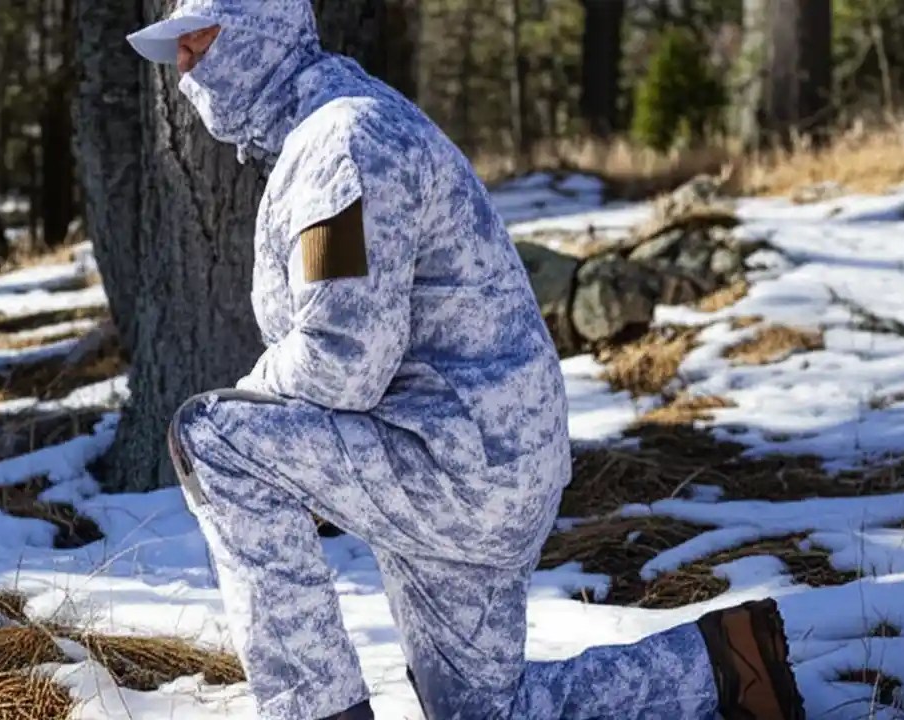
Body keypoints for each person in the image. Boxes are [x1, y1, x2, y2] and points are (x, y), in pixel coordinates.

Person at [128, 2, 806, 718]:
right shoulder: (327, 134)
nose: (183, 68)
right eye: (175, 49)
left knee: (216, 437)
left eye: (199, 41)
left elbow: (343, 356)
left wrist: (257, 404)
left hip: (459, 464)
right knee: (482, 712)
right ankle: (728, 665)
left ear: (257, 31)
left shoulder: (343, 144)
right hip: (475, 453)